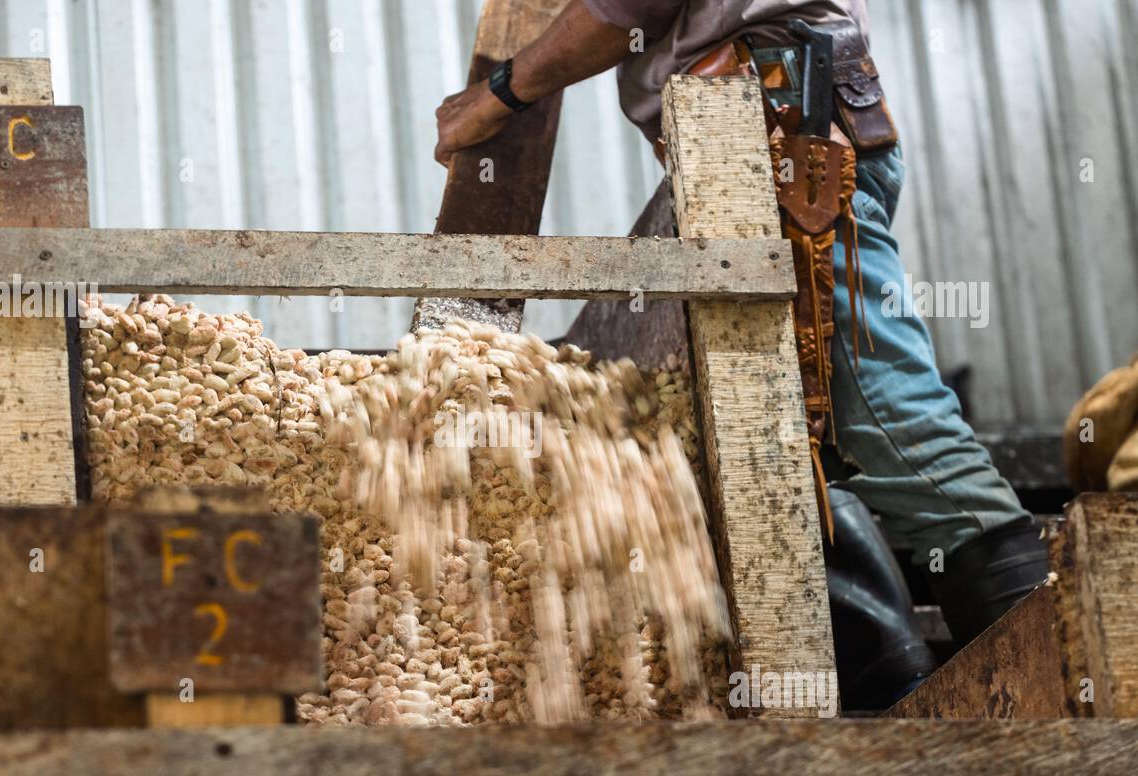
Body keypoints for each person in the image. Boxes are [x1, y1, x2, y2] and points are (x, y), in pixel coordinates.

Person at [433, 0, 1048, 655]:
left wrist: (502, 91)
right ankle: (910, 684)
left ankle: (1058, 693)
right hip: (786, 114)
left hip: (783, 130)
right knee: (792, 432)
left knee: (895, 427)